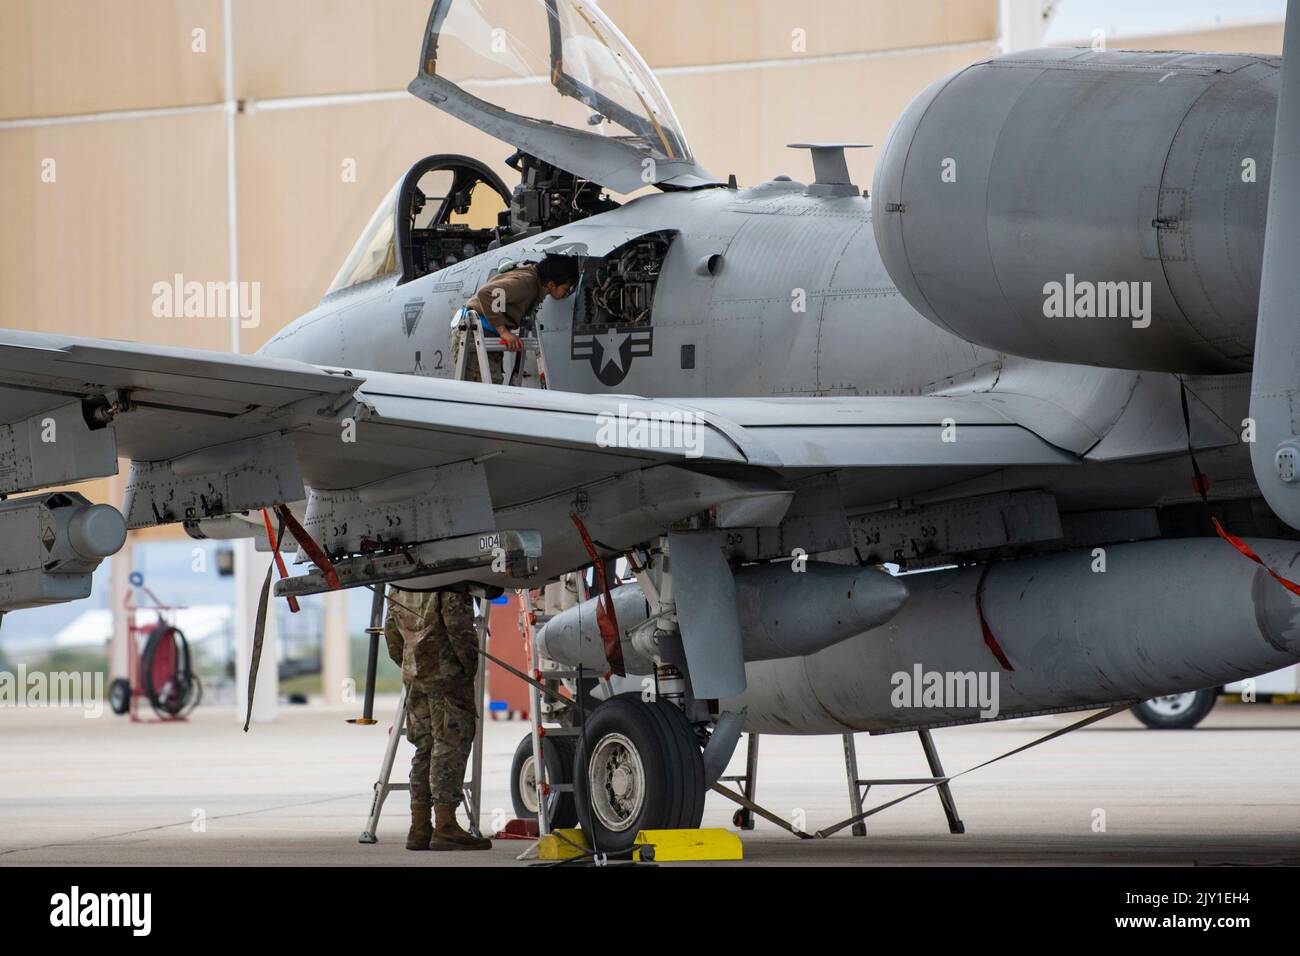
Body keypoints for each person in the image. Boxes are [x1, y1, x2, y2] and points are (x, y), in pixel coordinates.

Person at [383, 587, 490, 851]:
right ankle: (445, 825)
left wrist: (410, 663)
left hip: (415, 675)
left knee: (425, 747)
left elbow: (391, 631)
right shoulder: (448, 578)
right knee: (450, 744)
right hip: (446, 674)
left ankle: (419, 827)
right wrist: (467, 667)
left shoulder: (400, 582)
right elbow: (458, 625)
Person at [455, 253, 579, 384]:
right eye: (565, 288)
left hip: (487, 332)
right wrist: (503, 332)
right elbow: (487, 293)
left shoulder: (534, 281)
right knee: (484, 392)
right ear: (551, 284)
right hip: (475, 331)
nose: (566, 293)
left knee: (493, 384)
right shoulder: (526, 283)